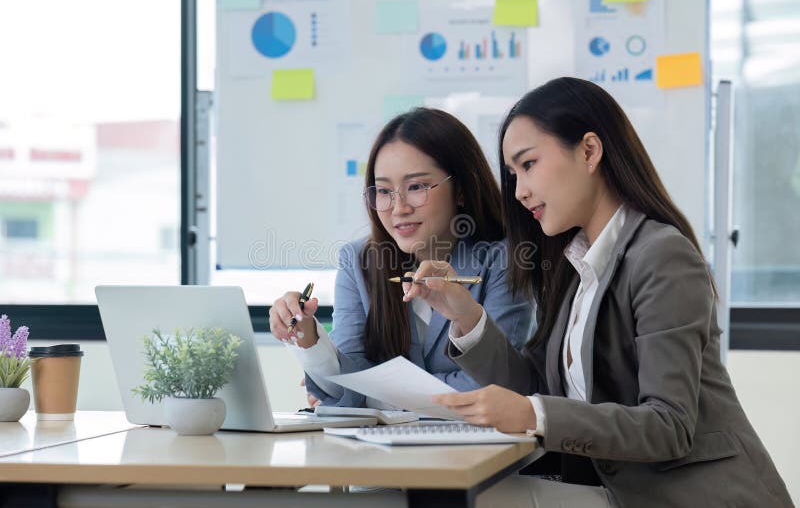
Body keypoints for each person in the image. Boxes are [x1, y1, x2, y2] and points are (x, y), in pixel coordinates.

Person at [402, 78, 792, 507]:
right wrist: (466, 316)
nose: (519, 191)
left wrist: (535, 415)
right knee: (449, 496)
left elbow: (669, 425)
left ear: (589, 151)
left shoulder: (661, 256)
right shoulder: (578, 268)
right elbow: (536, 386)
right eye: (513, 174)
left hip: (694, 496)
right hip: (616, 491)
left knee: (471, 501)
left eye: (528, 164)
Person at [269, 108, 535, 408]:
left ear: (461, 189)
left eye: (417, 187)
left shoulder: (503, 259)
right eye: (383, 191)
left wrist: (376, 394)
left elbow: (496, 389)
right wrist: (310, 341)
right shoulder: (359, 261)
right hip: (384, 452)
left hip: (480, 450)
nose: (398, 207)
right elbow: (346, 389)